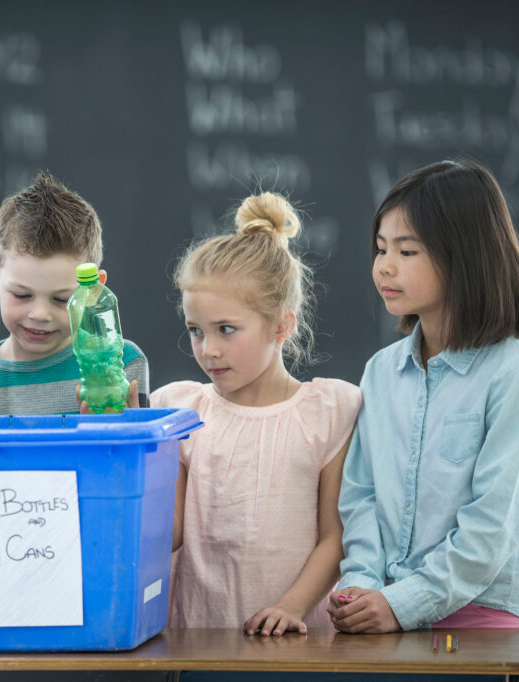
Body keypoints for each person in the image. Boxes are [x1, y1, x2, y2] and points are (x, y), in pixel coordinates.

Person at [328, 159, 519, 633]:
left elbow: (492, 531)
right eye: (380, 248)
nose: (384, 266)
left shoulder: (514, 373)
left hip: (486, 617)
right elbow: (361, 498)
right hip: (386, 608)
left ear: (463, 256)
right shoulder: (380, 373)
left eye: (407, 252)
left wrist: (403, 604)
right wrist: (360, 586)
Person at [151, 191, 362, 635]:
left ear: (282, 325)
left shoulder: (329, 412)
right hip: (198, 646)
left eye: (227, 330)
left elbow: (334, 537)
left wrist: (289, 608)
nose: (208, 350)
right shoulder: (180, 410)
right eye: (196, 331)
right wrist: (123, 436)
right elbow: (167, 534)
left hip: (301, 650)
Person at [0, 171, 148, 415]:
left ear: (93, 290)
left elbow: (139, 453)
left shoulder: (119, 364)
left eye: (62, 299)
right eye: (22, 295)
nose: (40, 314)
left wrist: (114, 432)